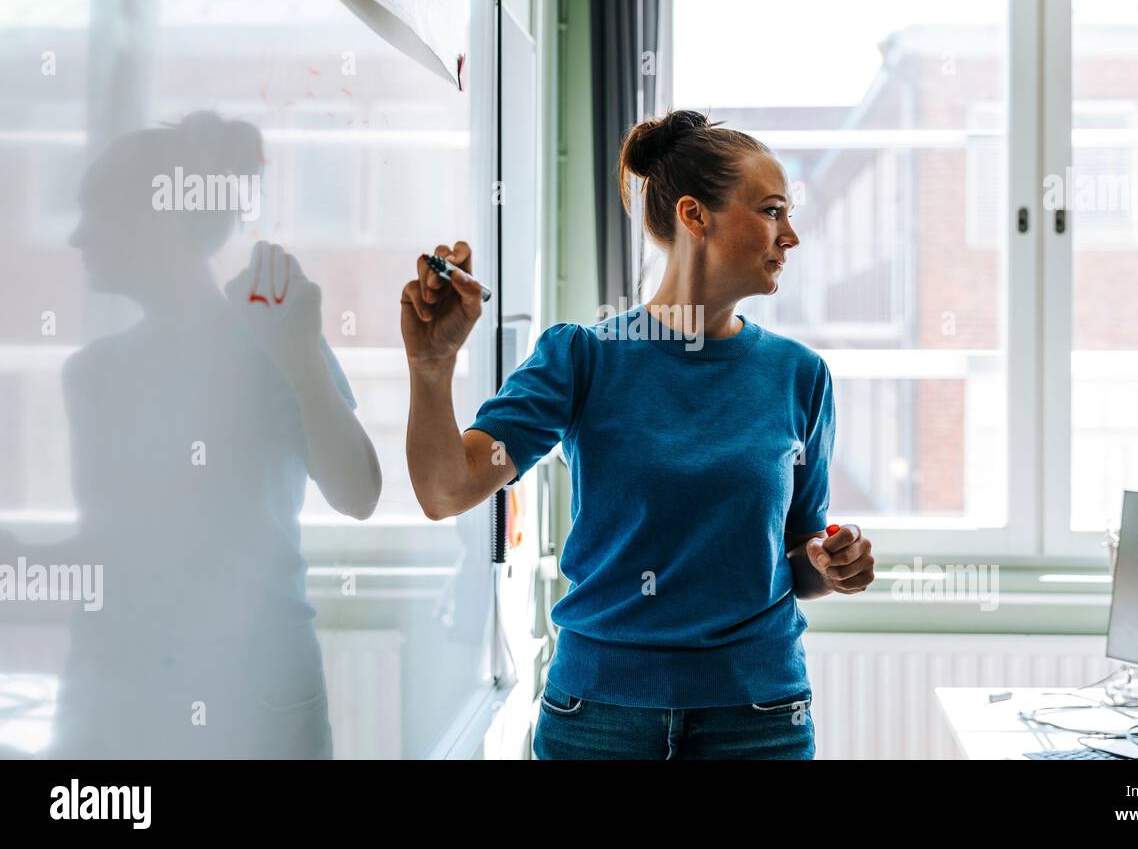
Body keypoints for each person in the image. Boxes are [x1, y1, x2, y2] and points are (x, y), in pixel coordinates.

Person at [401, 109, 876, 760]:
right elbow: (445, 490)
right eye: (771, 211)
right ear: (694, 215)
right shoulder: (583, 358)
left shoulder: (800, 376)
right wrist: (432, 367)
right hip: (600, 718)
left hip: (757, 716)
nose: (790, 235)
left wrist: (833, 564)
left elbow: (800, 555)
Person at [43, 111, 381, 758]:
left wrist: (300, 354)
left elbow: (359, 492)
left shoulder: (273, 337)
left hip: (255, 684)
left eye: (98, 213)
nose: (78, 236)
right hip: (131, 684)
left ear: (158, 222)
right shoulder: (93, 374)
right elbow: (118, 551)